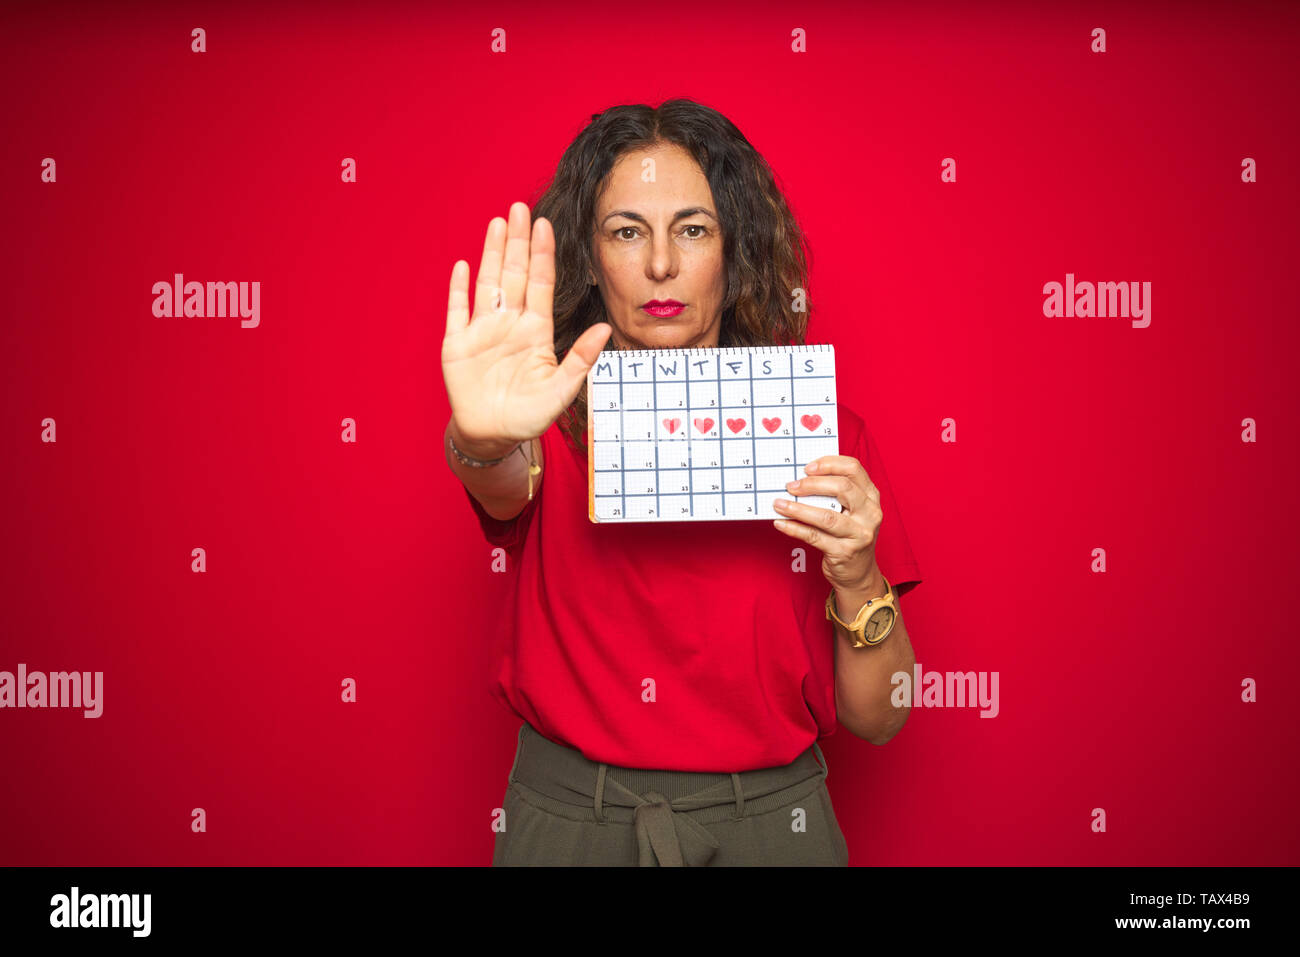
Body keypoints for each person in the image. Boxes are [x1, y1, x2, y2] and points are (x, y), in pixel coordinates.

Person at [442, 99, 923, 866]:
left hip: (771, 825)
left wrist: (858, 575)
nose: (660, 264)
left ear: (735, 252)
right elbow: (498, 480)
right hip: (571, 821)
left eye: (692, 229)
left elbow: (882, 717)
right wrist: (479, 435)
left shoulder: (826, 435)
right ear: (591, 259)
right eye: (627, 231)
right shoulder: (546, 422)